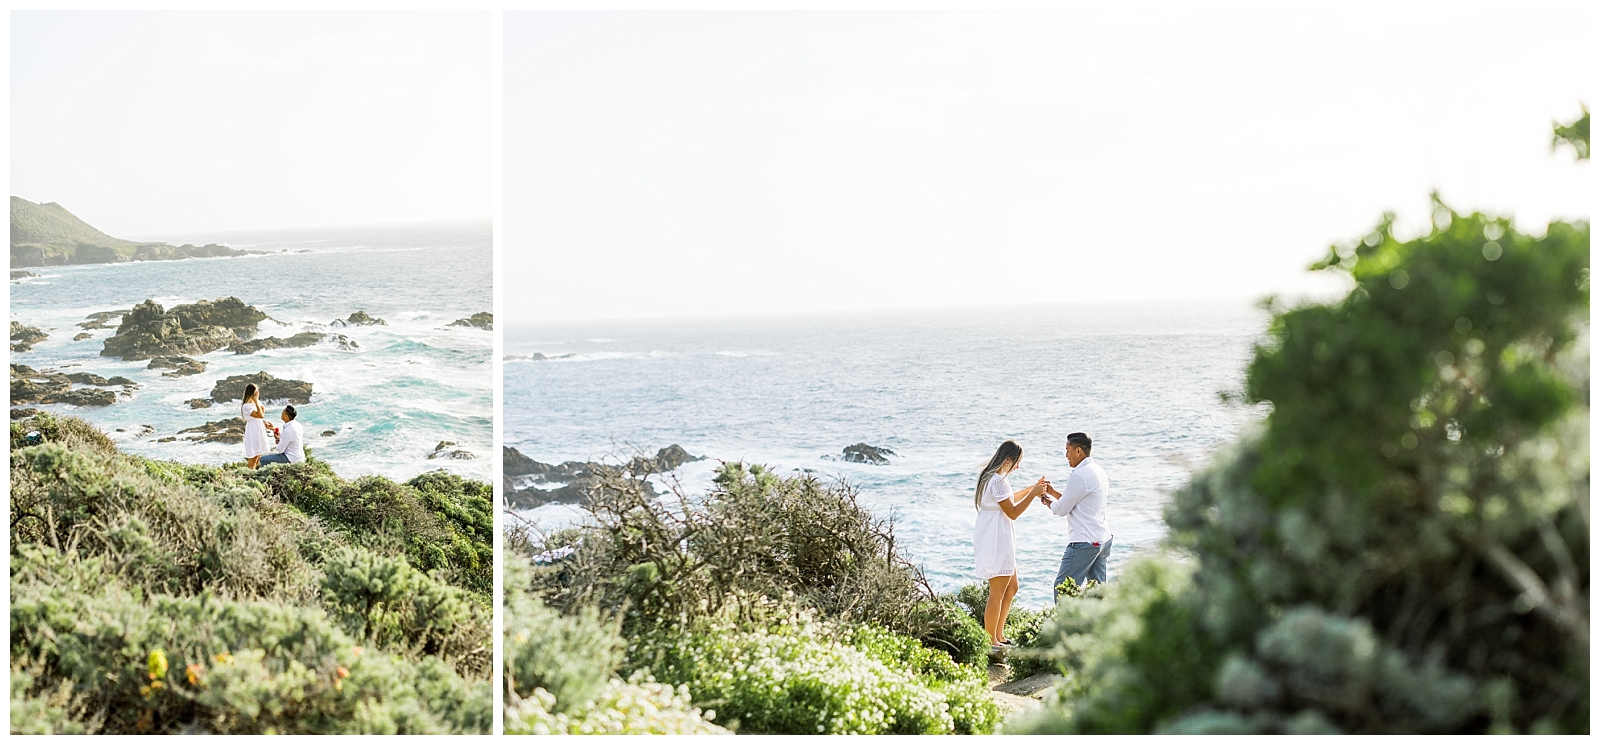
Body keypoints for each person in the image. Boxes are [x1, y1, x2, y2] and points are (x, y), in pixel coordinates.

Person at [973, 439, 1051, 651]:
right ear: (1008, 460)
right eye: (1017, 462)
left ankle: (998, 634)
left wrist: (1030, 489)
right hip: (997, 539)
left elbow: (1006, 500)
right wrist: (1034, 495)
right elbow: (1012, 512)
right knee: (996, 593)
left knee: (1012, 587)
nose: (1017, 467)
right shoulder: (998, 481)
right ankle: (990, 641)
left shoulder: (992, 478)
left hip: (996, 536)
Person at [1041, 432, 1112, 601]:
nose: (1066, 455)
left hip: (1084, 541)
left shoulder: (1079, 475)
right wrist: (1054, 493)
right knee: (1098, 592)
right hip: (1102, 539)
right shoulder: (1098, 470)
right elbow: (1078, 503)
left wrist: (1046, 500)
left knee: (1063, 588)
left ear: (1078, 451)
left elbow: (1061, 509)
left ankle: (1066, 626)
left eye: (1068, 450)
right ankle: (1102, 625)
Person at [241, 383, 271, 469]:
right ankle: (250, 473)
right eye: (256, 392)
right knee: (253, 454)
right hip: (253, 430)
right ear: (252, 393)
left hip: (259, 428)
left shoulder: (256, 403)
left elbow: (262, 411)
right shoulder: (246, 406)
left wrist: (256, 401)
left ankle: (253, 472)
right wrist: (256, 402)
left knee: (259, 453)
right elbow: (260, 415)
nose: (258, 393)